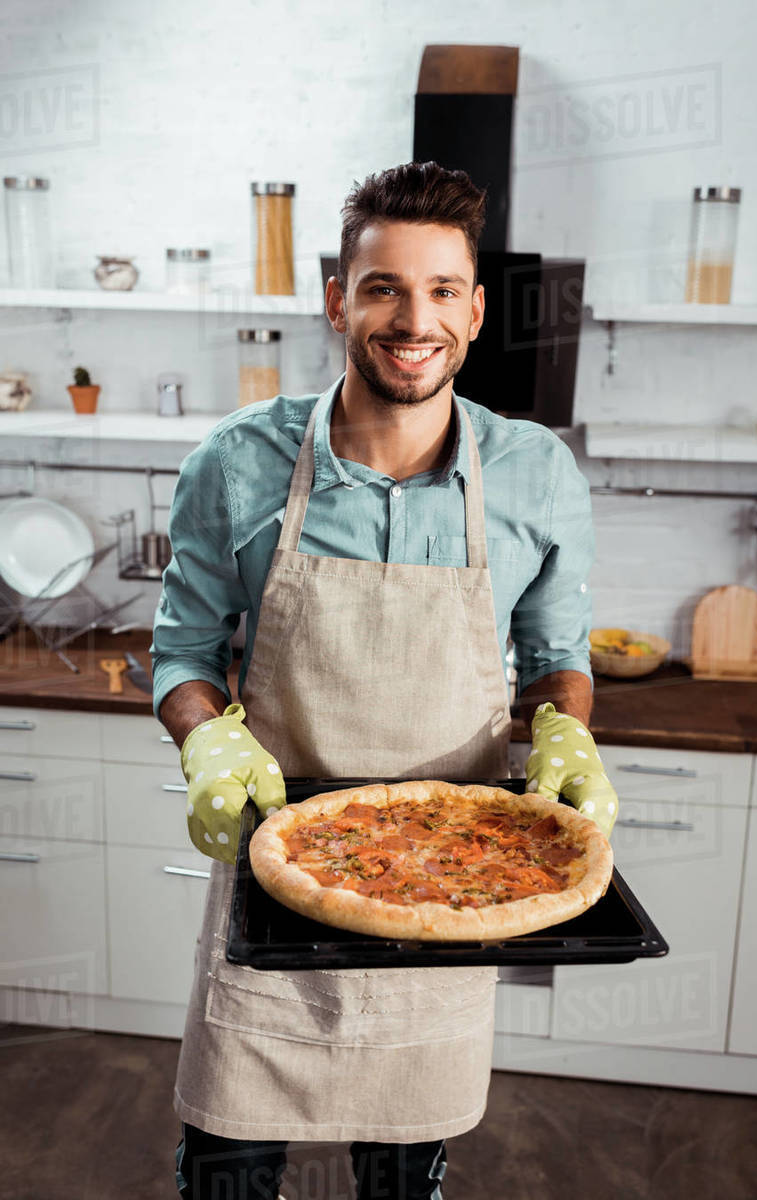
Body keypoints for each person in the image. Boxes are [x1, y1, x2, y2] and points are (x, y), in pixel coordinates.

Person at [151, 159, 619, 1200]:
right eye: (384, 288)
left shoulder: (536, 472)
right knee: (226, 1167)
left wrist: (565, 734)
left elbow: (554, 662)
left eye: (443, 290)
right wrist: (205, 739)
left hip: (455, 887)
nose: (416, 319)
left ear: (477, 309)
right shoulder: (237, 463)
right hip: (275, 876)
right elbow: (183, 652)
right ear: (337, 301)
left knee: (407, 1180)